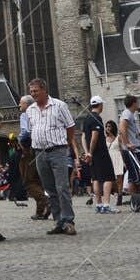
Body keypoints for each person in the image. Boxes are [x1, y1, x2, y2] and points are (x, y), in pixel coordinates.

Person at [23, 80, 81, 235]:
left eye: (35, 91)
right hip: (39, 153)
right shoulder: (30, 110)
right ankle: (59, 221)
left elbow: (70, 126)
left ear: (44, 90)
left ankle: (68, 220)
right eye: (31, 91)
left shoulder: (59, 105)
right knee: (49, 189)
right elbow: (31, 129)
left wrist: (66, 143)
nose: (33, 94)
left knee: (62, 187)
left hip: (57, 151)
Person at [82, 97, 116, 214]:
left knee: (95, 178)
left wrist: (87, 152)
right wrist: (90, 152)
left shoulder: (87, 118)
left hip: (92, 154)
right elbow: (94, 136)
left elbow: (83, 137)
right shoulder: (97, 118)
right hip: (100, 152)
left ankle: (98, 204)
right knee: (108, 177)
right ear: (100, 105)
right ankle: (106, 205)